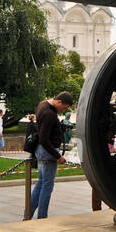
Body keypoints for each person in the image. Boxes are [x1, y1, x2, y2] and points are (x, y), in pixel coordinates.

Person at [29, 92, 73, 220]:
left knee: (41, 183)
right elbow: (44, 139)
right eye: (64, 108)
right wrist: (58, 156)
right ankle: (42, 217)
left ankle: (28, 213)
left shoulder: (42, 105)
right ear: (58, 101)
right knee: (47, 186)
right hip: (47, 152)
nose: (63, 110)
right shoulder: (49, 114)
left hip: (40, 151)